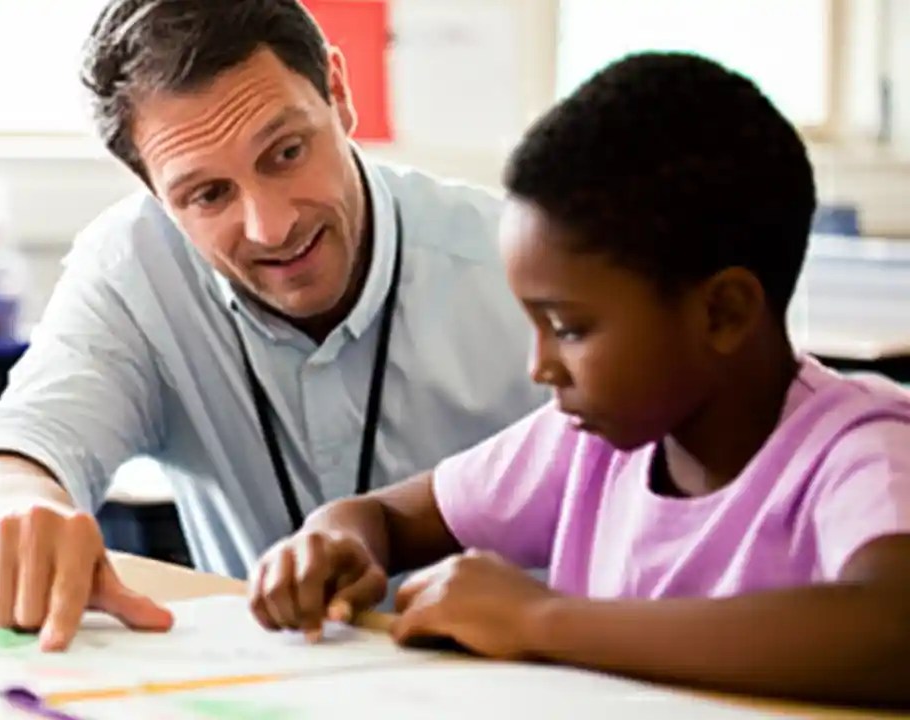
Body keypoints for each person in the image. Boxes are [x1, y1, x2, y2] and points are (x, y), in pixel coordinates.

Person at [248, 52, 910, 707]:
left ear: (723, 313)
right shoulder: (585, 446)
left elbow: (892, 632)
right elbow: (385, 517)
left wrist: (543, 621)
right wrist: (332, 540)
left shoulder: (860, 449)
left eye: (567, 328)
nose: (539, 367)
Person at [0, 0, 543, 651]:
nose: (271, 226)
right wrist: (13, 504)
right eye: (208, 195)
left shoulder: (519, 270)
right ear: (155, 194)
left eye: (287, 152)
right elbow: (19, 441)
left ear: (338, 93)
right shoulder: (135, 272)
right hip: (270, 683)